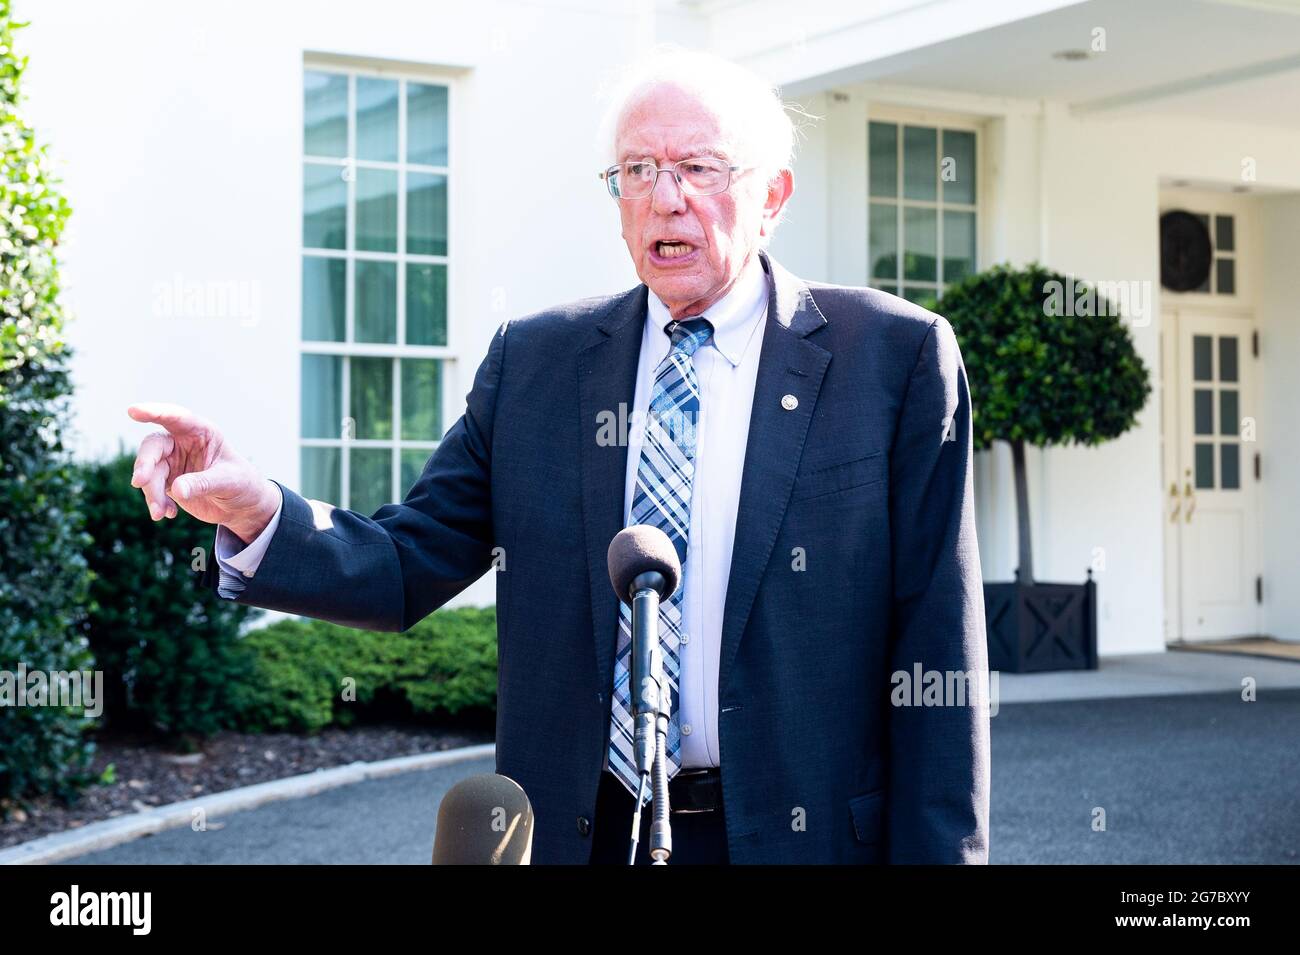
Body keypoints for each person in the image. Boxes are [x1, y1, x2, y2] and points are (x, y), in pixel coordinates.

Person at [128, 48, 989, 864]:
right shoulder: (536, 364)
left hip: (802, 838)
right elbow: (404, 561)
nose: (666, 198)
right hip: (584, 833)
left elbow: (938, 654)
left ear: (773, 196)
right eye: (638, 170)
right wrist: (260, 511)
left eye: (699, 167)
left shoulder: (891, 359)